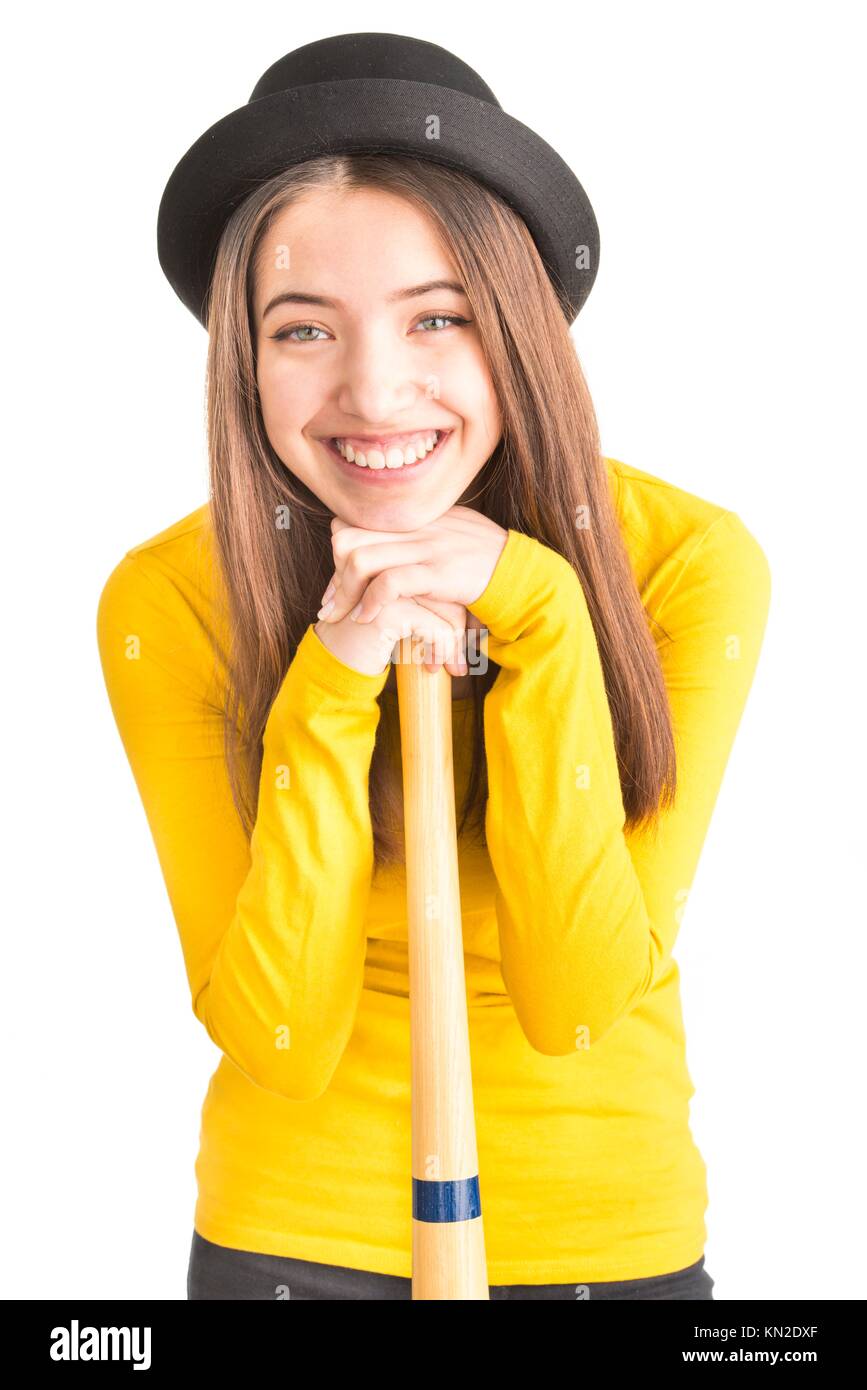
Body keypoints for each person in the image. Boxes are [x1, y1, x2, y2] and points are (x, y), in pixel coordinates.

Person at [96, 34, 769, 1300]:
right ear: (243, 356)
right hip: (290, 1244)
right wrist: (333, 676)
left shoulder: (688, 565)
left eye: (439, 316)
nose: (376, 389)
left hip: (602, 1245)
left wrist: (540, 611)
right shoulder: (170, 598)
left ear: (519, 327)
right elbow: (281, 1041)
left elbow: (577, 1005)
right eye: (304, 328)